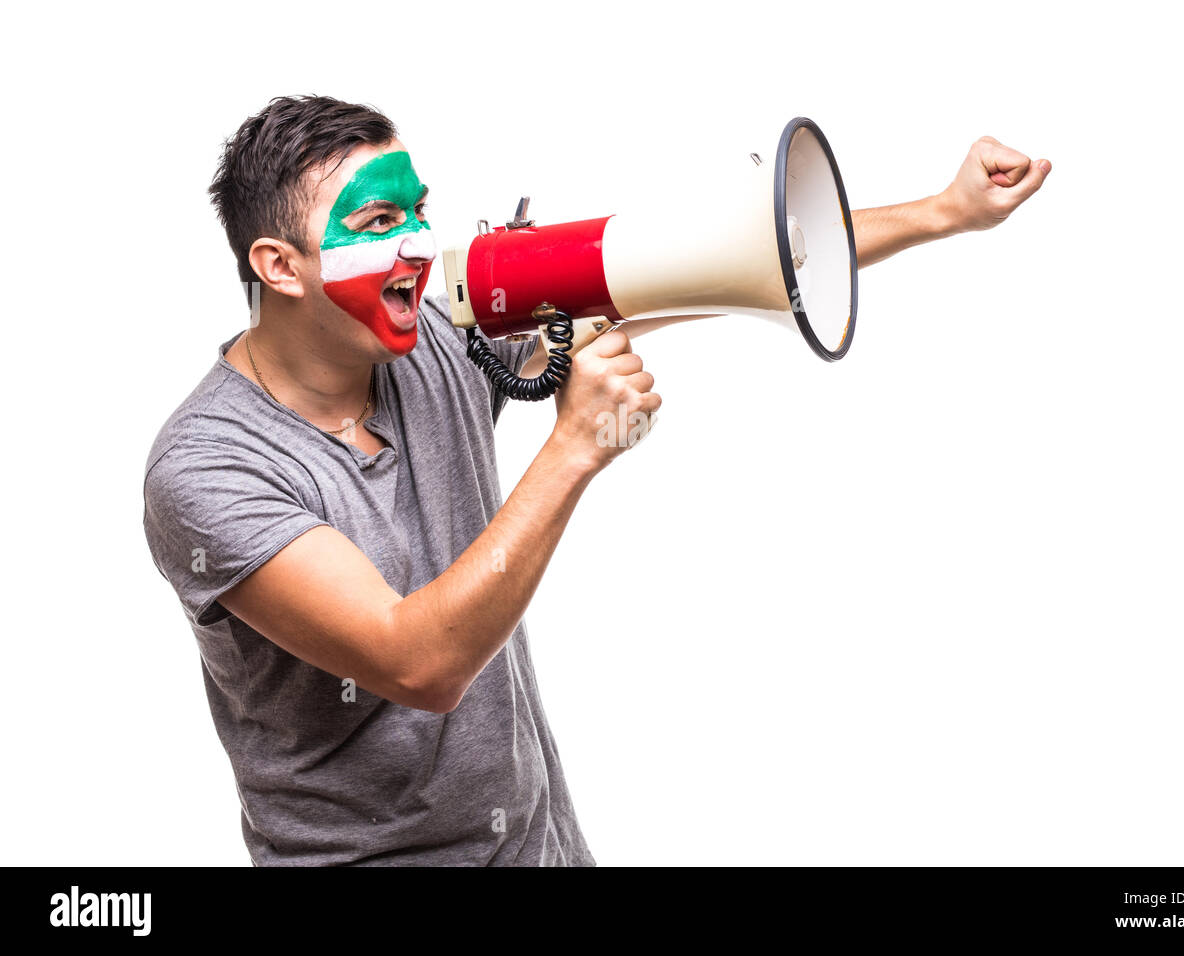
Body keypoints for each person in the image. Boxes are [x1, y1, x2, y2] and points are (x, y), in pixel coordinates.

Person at [142, 95, 1050, 866]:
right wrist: (575, 445)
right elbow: (417, 661)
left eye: (419, 212)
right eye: (379, 224)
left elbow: (712, 265)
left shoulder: (431, 331)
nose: (421, 245)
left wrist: (943, 212)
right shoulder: (207, 466)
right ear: (278, 266)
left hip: (536, 843)